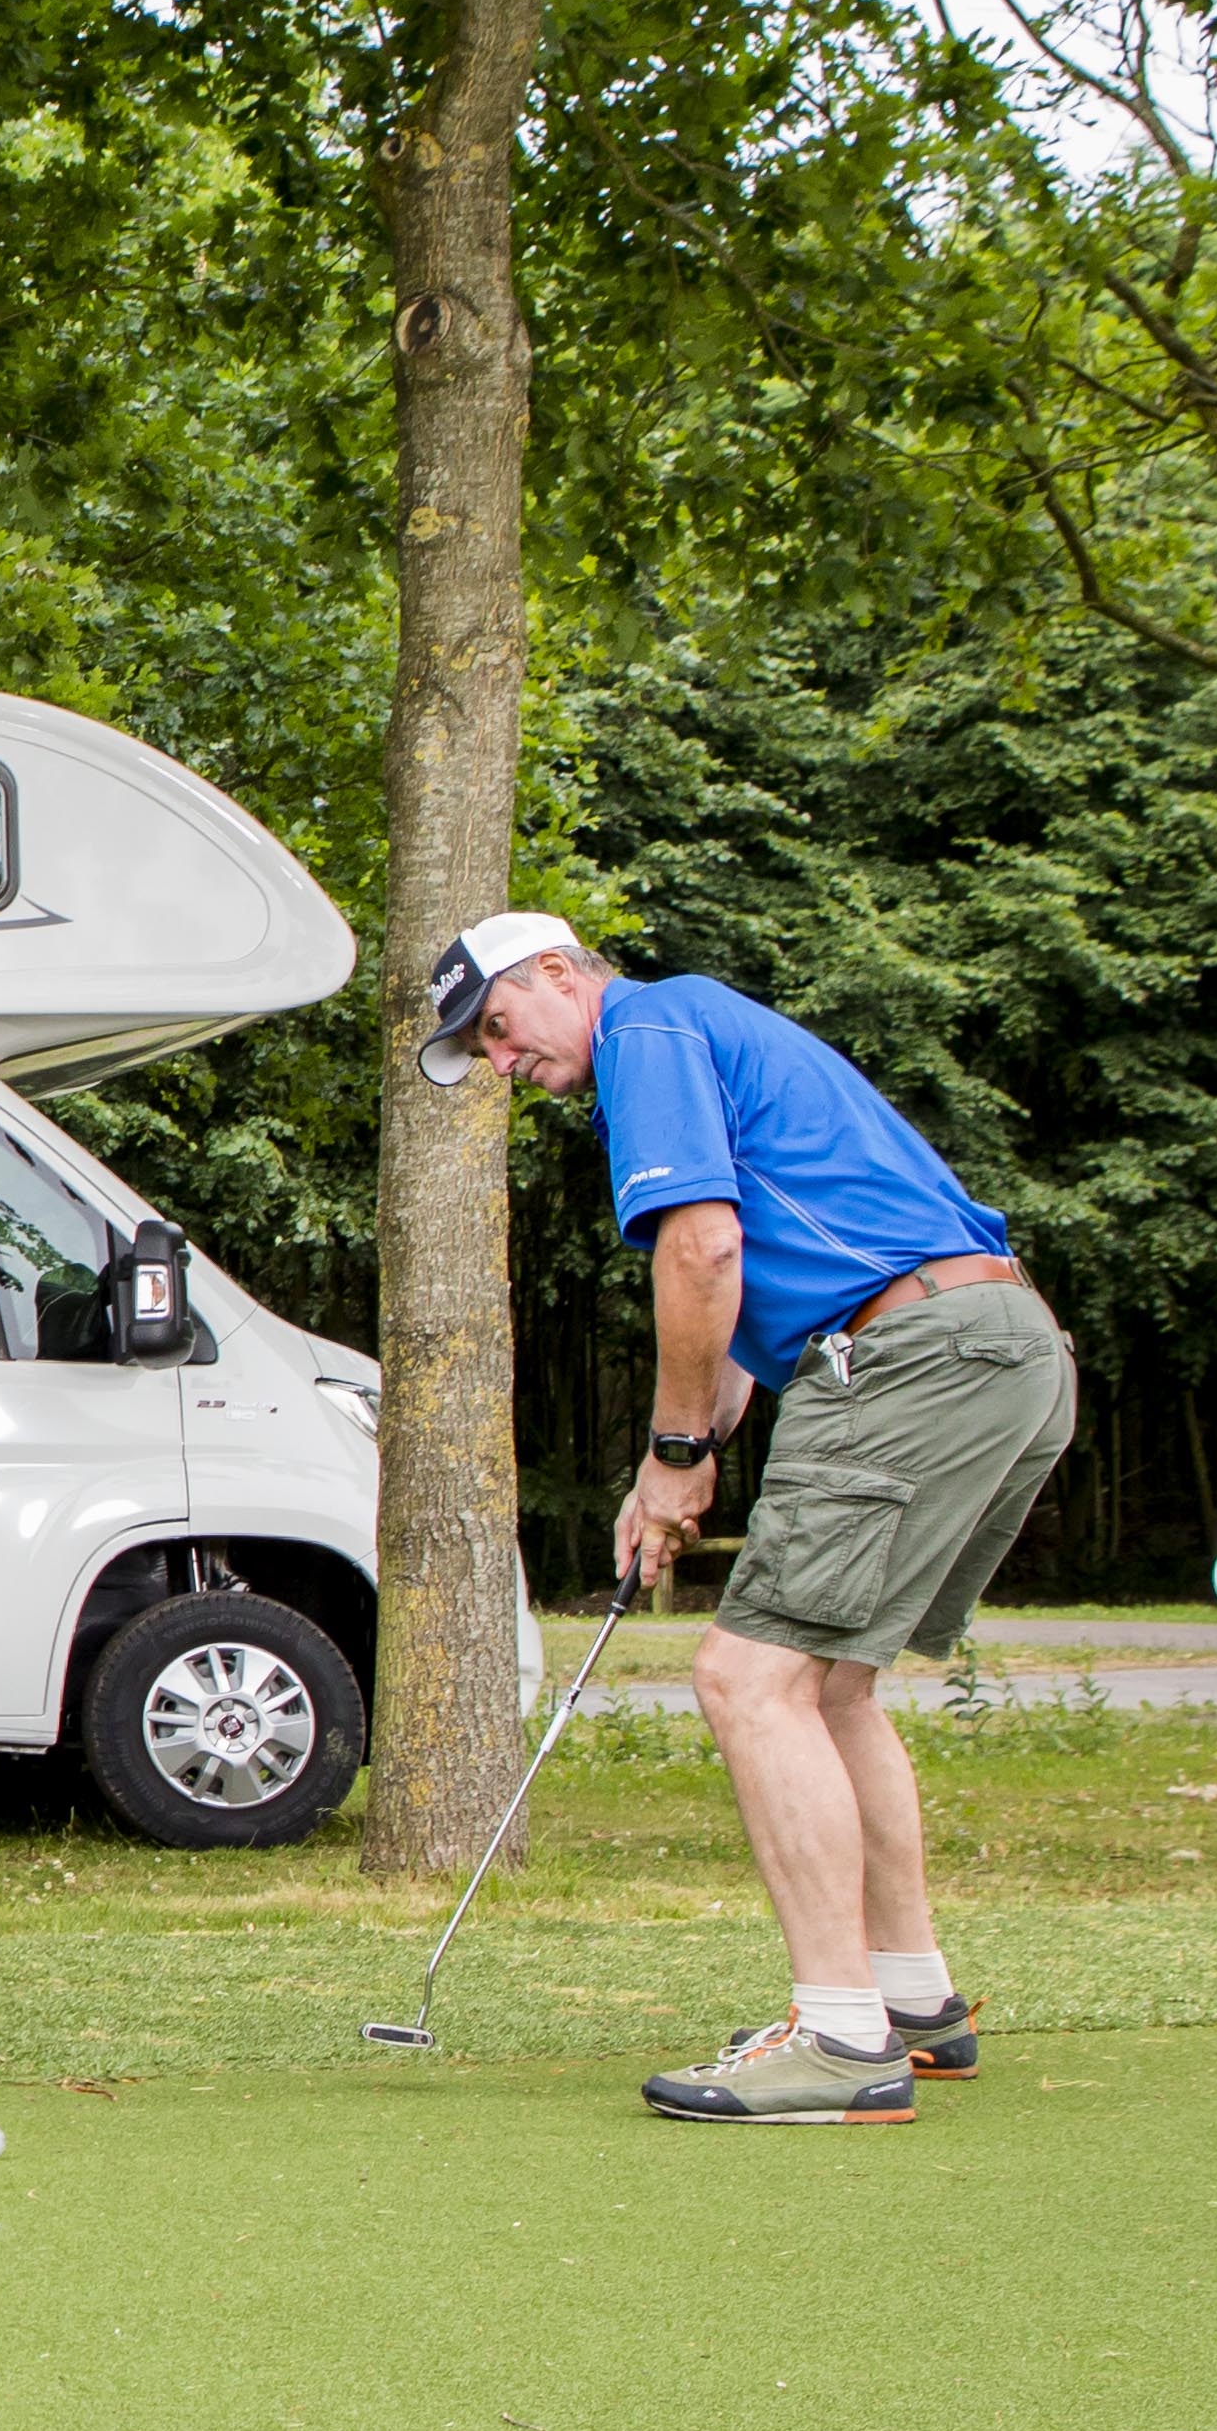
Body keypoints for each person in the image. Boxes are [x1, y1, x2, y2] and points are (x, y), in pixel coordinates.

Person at [425, 909, 1076, 2122]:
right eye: (482, 1051)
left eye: (499, 1028)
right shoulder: (695, 1029)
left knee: (746, 1678)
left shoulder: (648, 1030)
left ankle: (838, 2040)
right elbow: (731, 1314)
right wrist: (677, 1461)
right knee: (832, 1686)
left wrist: (674, 1455)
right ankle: (907, 2001)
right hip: (998, 1346)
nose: (503, 1064)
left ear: (559, 974)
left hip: (911, 1355)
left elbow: (702, 1251)